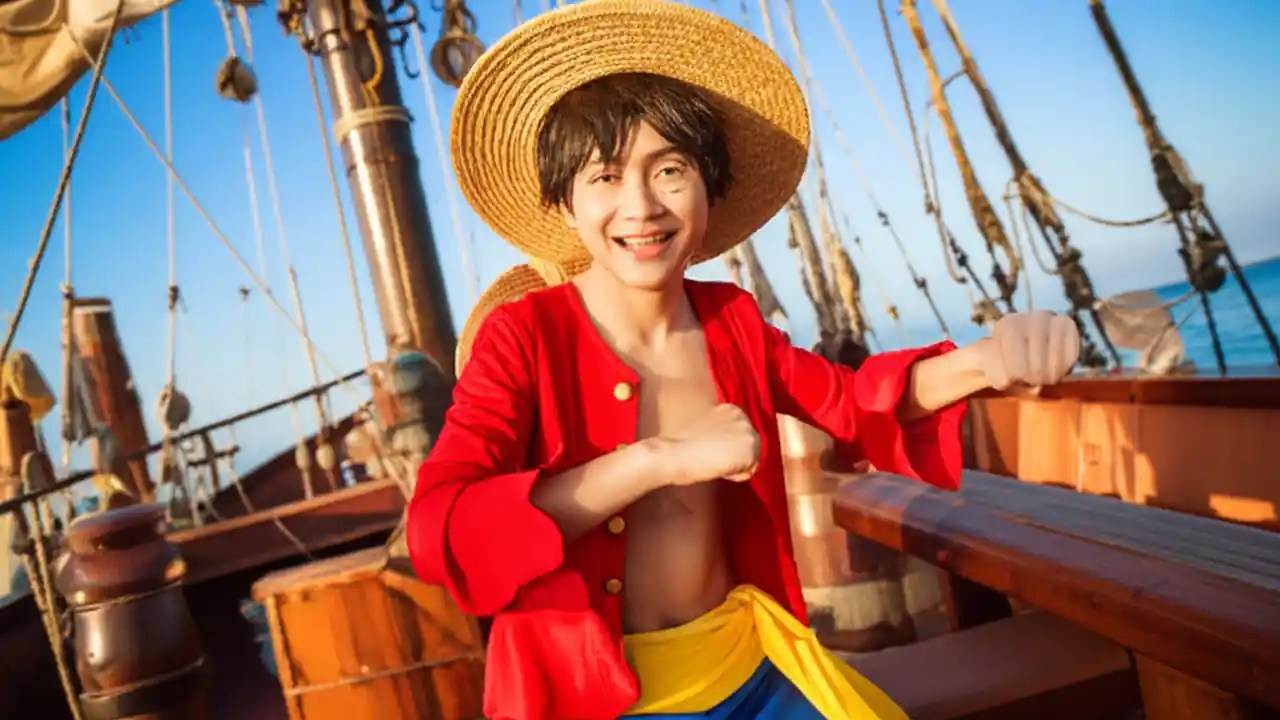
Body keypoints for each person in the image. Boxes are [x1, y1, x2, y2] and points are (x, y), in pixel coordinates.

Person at [407, 2, 1080, 718]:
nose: (640, 207)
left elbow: (852, 403)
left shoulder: (732, 320)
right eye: (604, 177)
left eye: (668, 169)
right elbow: (441, 530)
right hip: (592, 698)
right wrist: (655, 460)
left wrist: (990, 359)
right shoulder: (522, 336)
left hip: (750, 669)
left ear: (708, 186)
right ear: (566, 207)